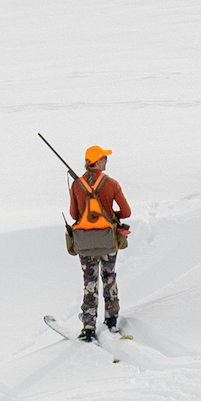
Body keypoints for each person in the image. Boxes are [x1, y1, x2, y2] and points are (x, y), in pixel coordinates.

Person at [69, 146, 132, 341]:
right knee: (109, 276)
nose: (106, 161)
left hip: (85, 243)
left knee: (90, 282)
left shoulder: (77, 185)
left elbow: (74, 214)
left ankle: (88, 326)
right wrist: (112, 218)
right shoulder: (111, 184)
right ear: (97, 161)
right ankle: (111, 319)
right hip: (108, 240)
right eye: (104, 158)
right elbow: (126, 212)